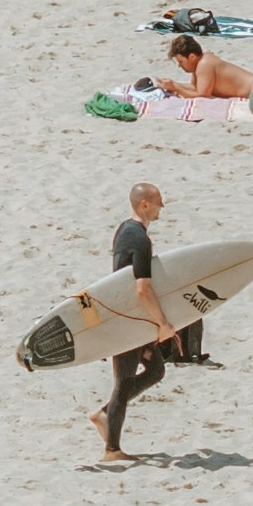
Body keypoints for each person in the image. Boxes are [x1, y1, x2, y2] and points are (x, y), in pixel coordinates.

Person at [91, 178, 198, 458]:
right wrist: (163, 323)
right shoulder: (139, 238)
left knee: (155, 371)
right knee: (124, 383)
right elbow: (142, 287)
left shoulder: (124, 231)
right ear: (145, 204)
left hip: (134, 318)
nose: (162, 206)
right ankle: (111, 448)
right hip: (128, 321)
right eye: (158, 201)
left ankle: (105, 415)